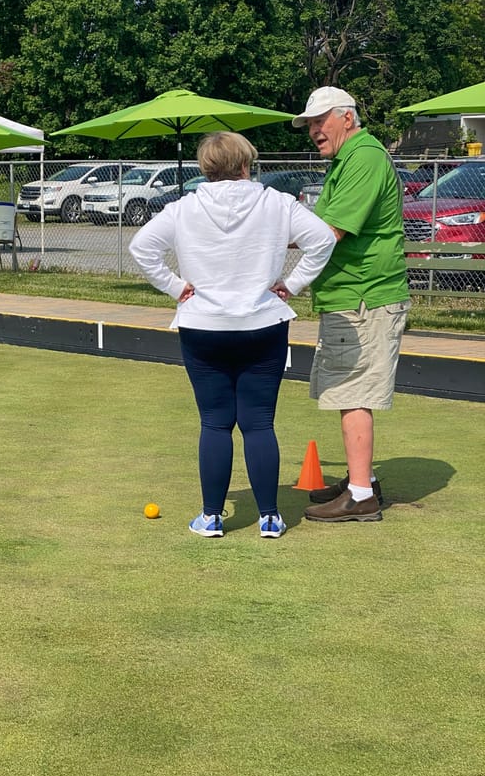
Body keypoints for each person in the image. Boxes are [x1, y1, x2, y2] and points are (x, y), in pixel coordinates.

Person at [129, 132, 335, 540]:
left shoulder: (183, 207)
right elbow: (323, 240)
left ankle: (211, 518)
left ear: (206, 169)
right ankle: (271, 518)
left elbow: (141, 248)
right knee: (259, 424)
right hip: (264, 324)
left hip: (203, 326)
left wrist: (174, 287)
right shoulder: (277, 202)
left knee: (215, 423)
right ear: (246, 165)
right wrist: (292, 284)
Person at [281, 86, 410, 523]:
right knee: (347, 390)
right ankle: (362, 478)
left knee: (354, 391)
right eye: (310, 124)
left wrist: (267, 245)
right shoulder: (348, 159)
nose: (314, 130)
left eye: (321, 121)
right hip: (353, 295)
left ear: (347, 118)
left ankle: (360, 496)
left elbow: (330, 231)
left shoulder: (364, 158)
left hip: (364, 297)